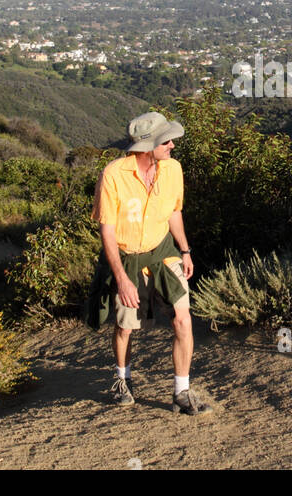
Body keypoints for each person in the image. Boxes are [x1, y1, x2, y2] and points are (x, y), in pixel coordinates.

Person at [88, 111, 212, 416]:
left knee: (183, 318)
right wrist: (121, 278)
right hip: (127, 257)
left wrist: (185, 250)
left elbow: (174, 213)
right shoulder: (114, 175)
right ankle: (123, 381)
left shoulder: (173, 170)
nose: (172, 145)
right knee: (125, 326)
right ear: (148, 146)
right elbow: (107, 230)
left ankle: (181, 393)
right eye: (166, 141)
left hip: (163, 251)